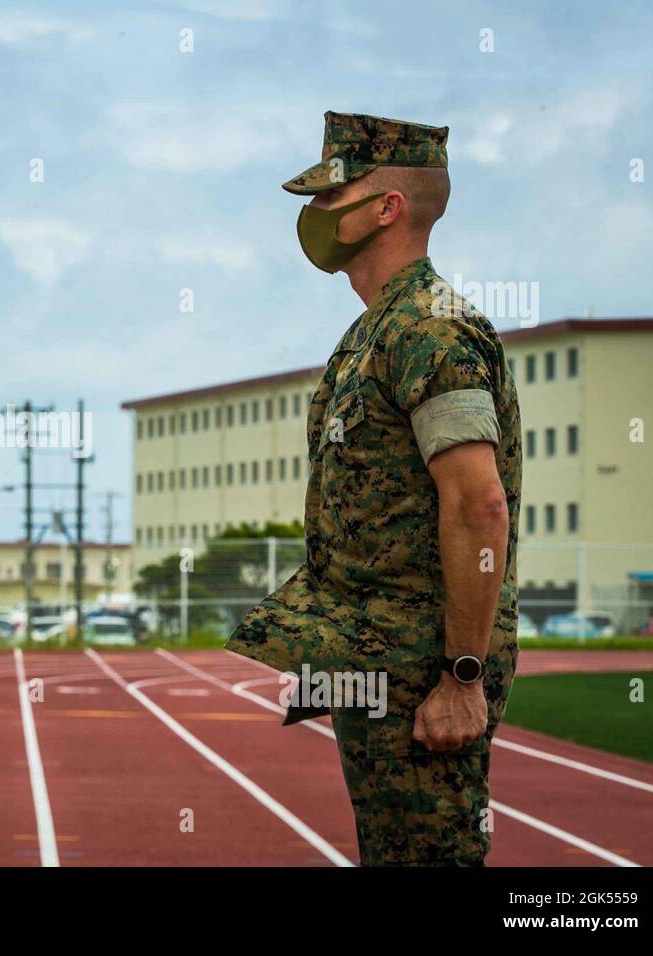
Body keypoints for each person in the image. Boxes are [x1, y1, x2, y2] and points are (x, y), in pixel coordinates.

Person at [226, 111, 522, 866]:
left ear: (387, 208)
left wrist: (463, 677)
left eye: (331, 197)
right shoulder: (376, 331)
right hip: (376, 662)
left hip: (423, 669)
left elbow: (477, 504)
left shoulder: (432, 329)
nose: (315, 217)